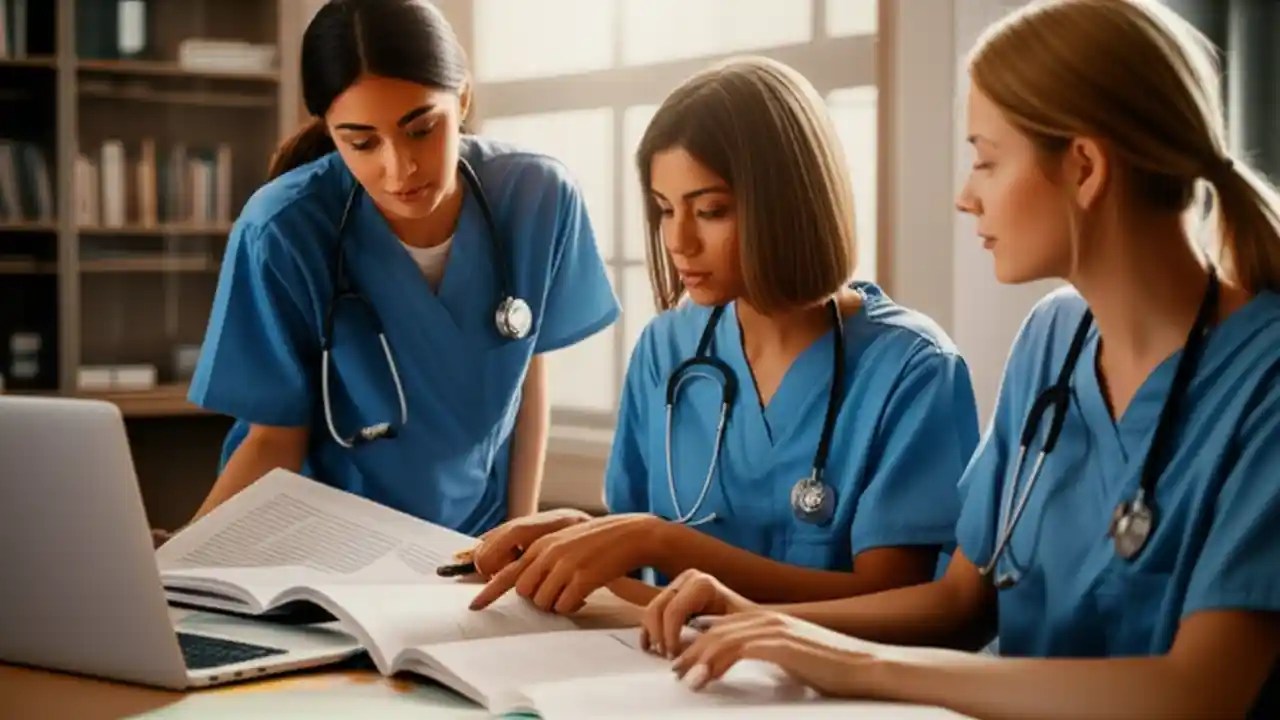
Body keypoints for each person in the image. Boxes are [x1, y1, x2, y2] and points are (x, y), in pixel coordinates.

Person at [639, 1, 1280, 717]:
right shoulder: (1054, 340)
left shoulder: (1266, 378)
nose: (966, 196)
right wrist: (752, 618)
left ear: (1085, 167)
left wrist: (860, 665)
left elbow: (1201, 691)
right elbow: (959, 603)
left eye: (985, 159)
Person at [465, 56, 980, 615]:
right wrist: (585, 540)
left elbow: (897, 602)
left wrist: (663, 542)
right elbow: (636, 565)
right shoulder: (665, 351)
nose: (678, 240)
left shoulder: (911, 368)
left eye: (710, 210)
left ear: (788, 204)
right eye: (665, 210)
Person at [175, 0, 618, 537]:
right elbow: (273, 440)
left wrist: (516, 536)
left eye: (422, 129)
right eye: (361, 142)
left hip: (468, 543)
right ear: (330, 132)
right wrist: (175, 573)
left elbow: (527, 376)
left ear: (463, 99)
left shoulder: (537, 197)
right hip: (318, 542)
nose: (399, 168)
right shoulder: (282, 230)